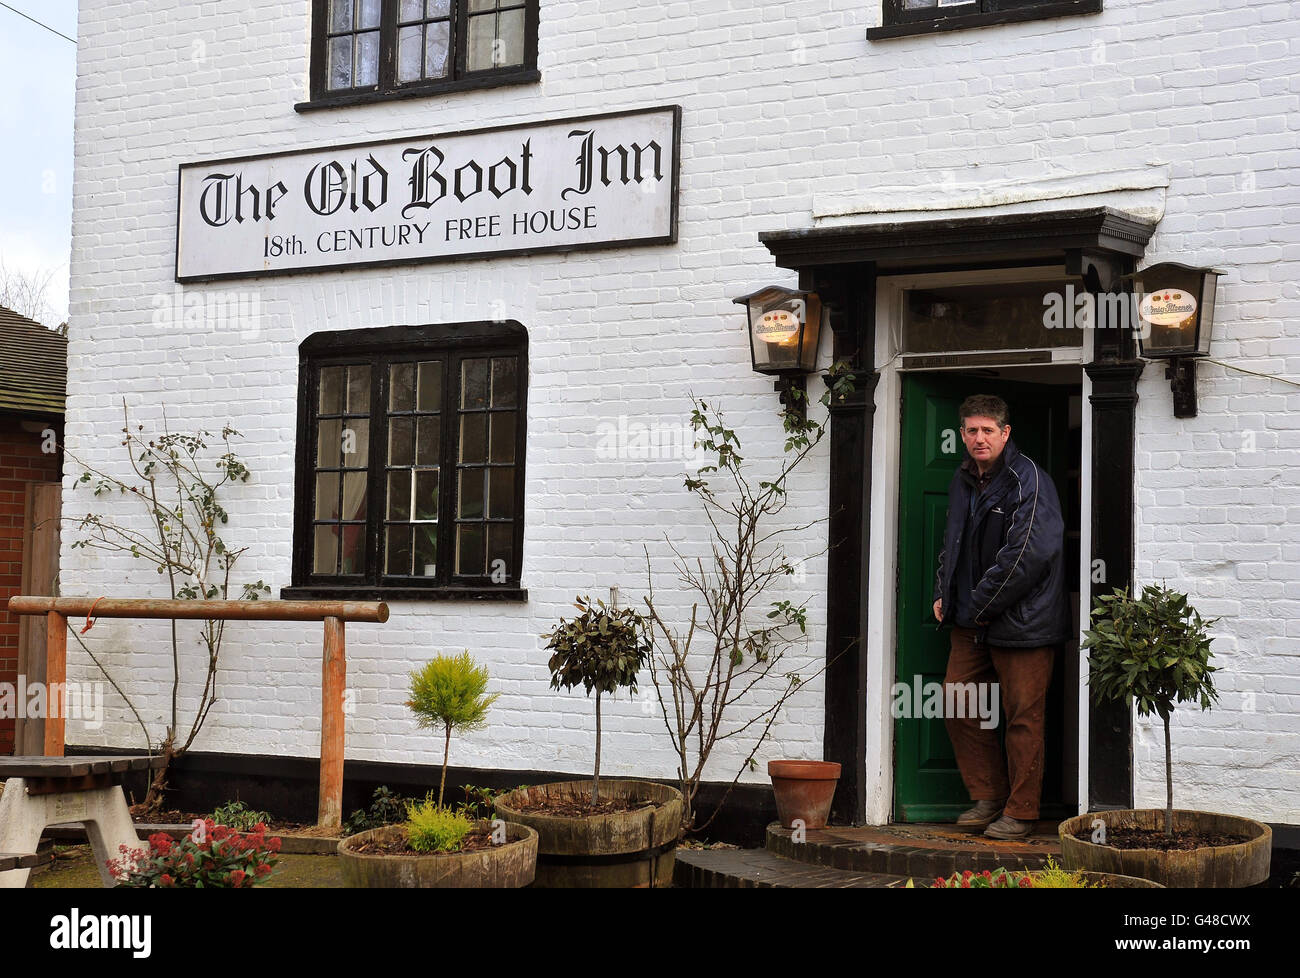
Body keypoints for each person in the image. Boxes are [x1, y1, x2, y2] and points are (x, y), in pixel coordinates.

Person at [931, 394, 1069, 840]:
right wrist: (943, 592)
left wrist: (980, 605)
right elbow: (951, 543)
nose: (978, 438)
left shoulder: (1028, 479)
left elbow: (1029, 553)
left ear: (1005, 433)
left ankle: (1022, 812)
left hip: (1023, 622)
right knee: (957, 702)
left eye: (988, 430)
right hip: (971, 619)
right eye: (971, 430)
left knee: (1023, 718)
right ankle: (988, 796)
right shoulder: (961, 479)